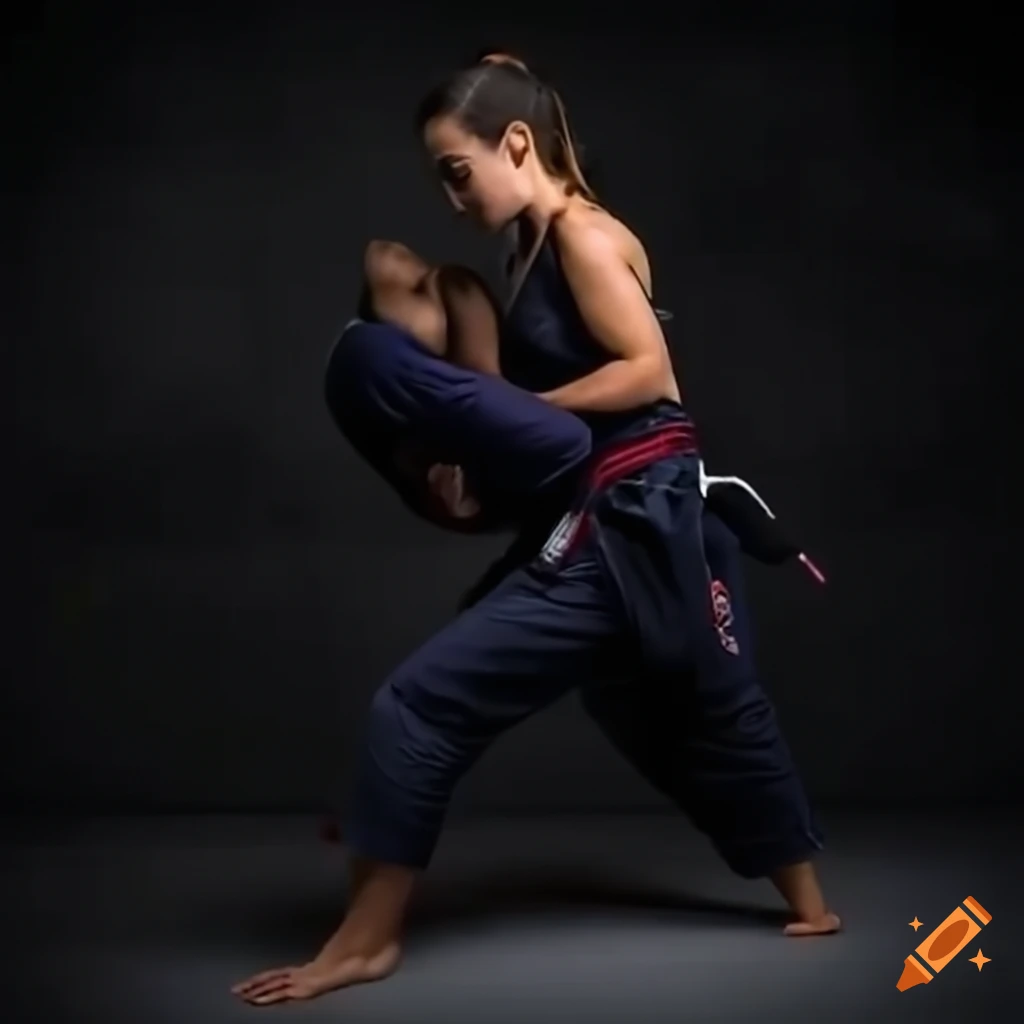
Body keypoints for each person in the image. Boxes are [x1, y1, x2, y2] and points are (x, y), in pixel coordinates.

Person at [232, 59, 839, 1004]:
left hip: (634, 519)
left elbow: (650, 373)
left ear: (516, 145)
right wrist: (470, 453)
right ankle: (811, 905)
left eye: (457, 172)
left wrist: (528, 411)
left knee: (422, 705)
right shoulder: (525, 251)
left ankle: (364, 945)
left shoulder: (583, 237)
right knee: (675, 709)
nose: (450, 197)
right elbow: (409, 266)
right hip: (616, 518)